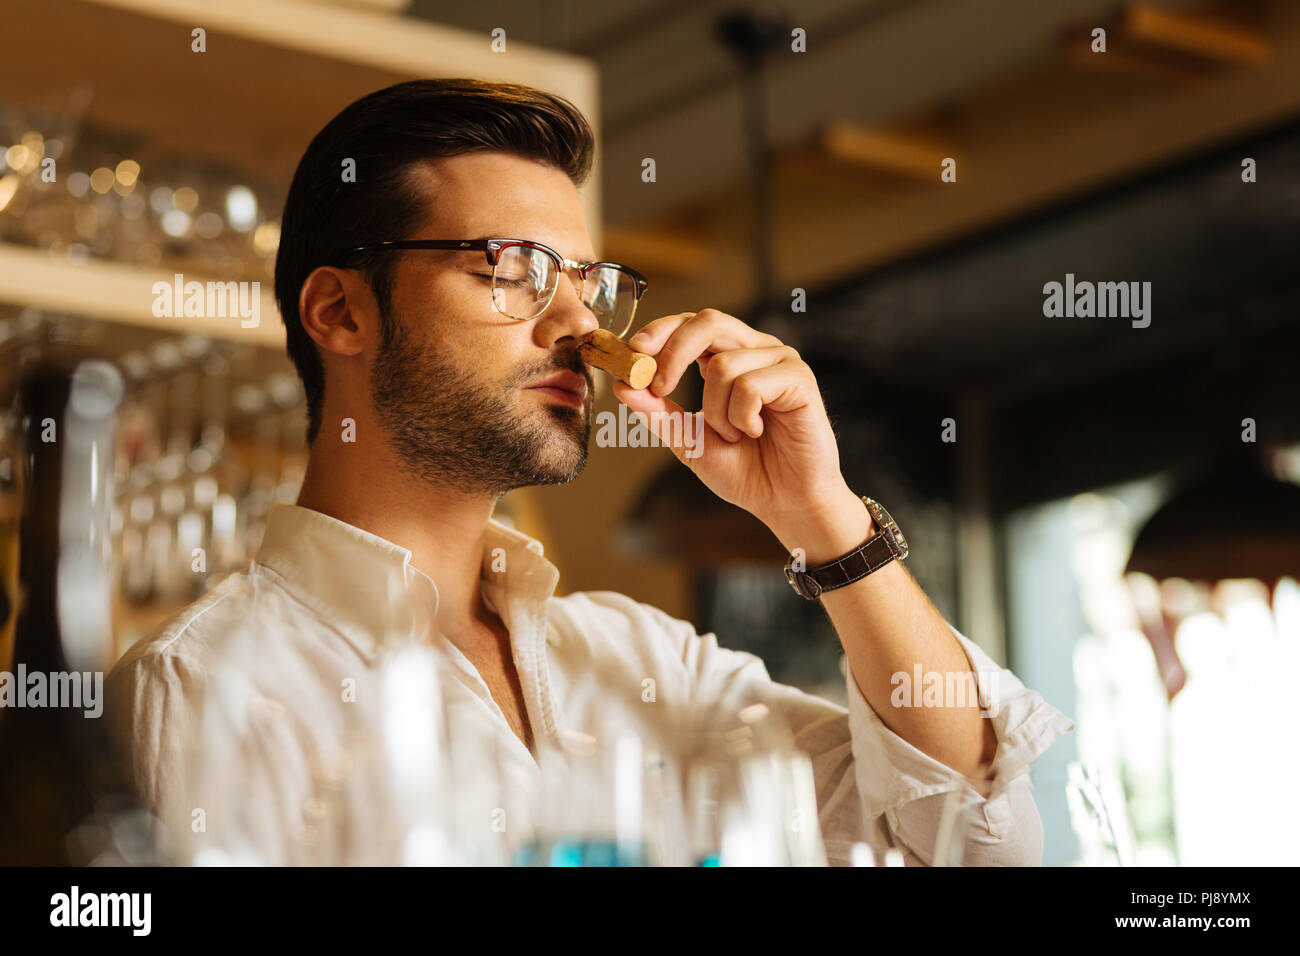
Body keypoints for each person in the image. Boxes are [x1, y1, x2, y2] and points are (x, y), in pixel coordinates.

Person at [107, 78, 1072, 866]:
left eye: (587, 284)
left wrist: (822, 518)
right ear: (341, 313)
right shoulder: (204, 688)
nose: (579, 326)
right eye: (516, 269)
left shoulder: (646, 659)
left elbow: (976, 842)